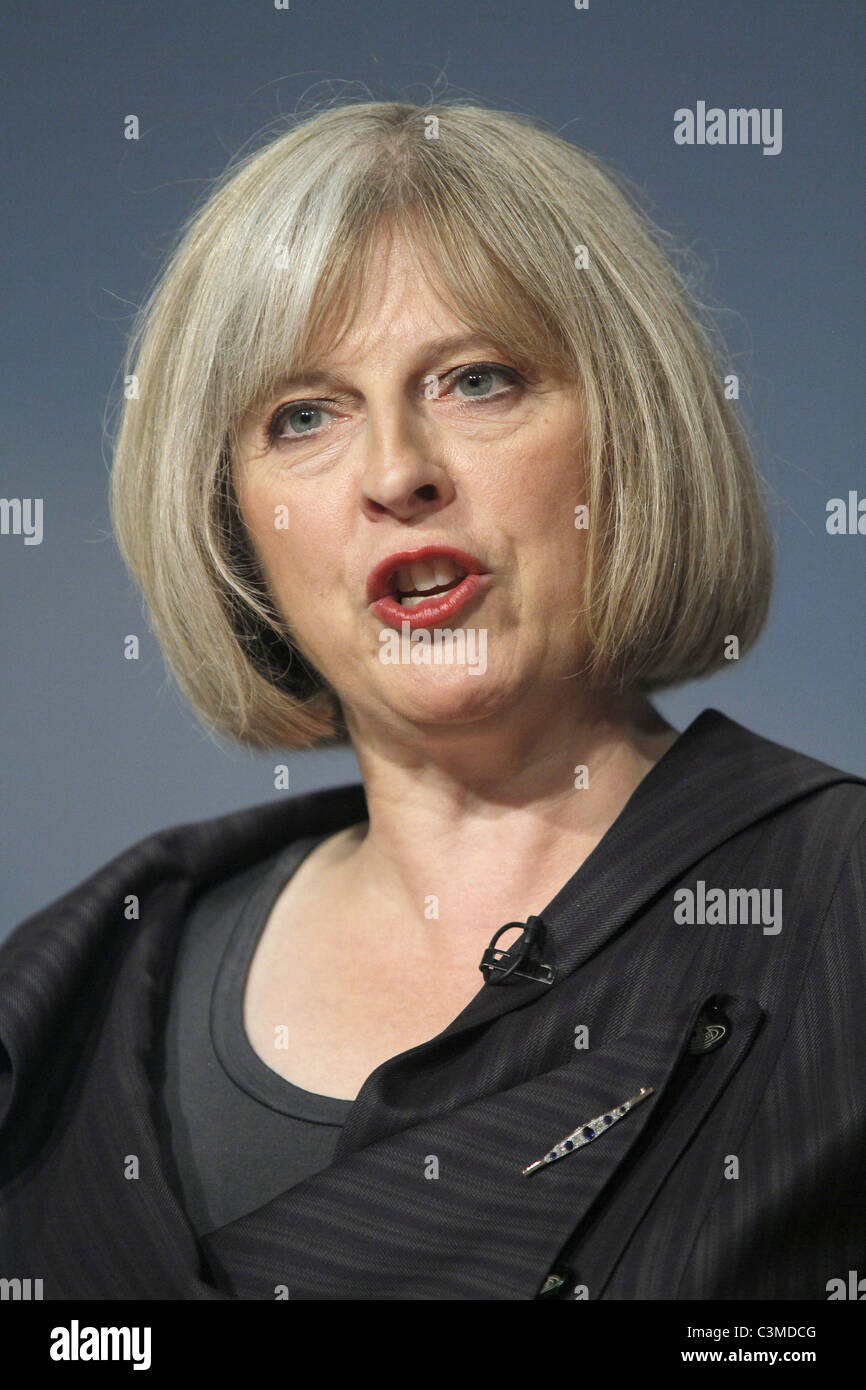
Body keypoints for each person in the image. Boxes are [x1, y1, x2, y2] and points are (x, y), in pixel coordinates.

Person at [1, 100, 863, 1302]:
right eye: (303, 415)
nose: (397, 471)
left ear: (630, 430)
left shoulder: (840, 911)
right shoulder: (69, 996)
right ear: (234, 525)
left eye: (476, 380)